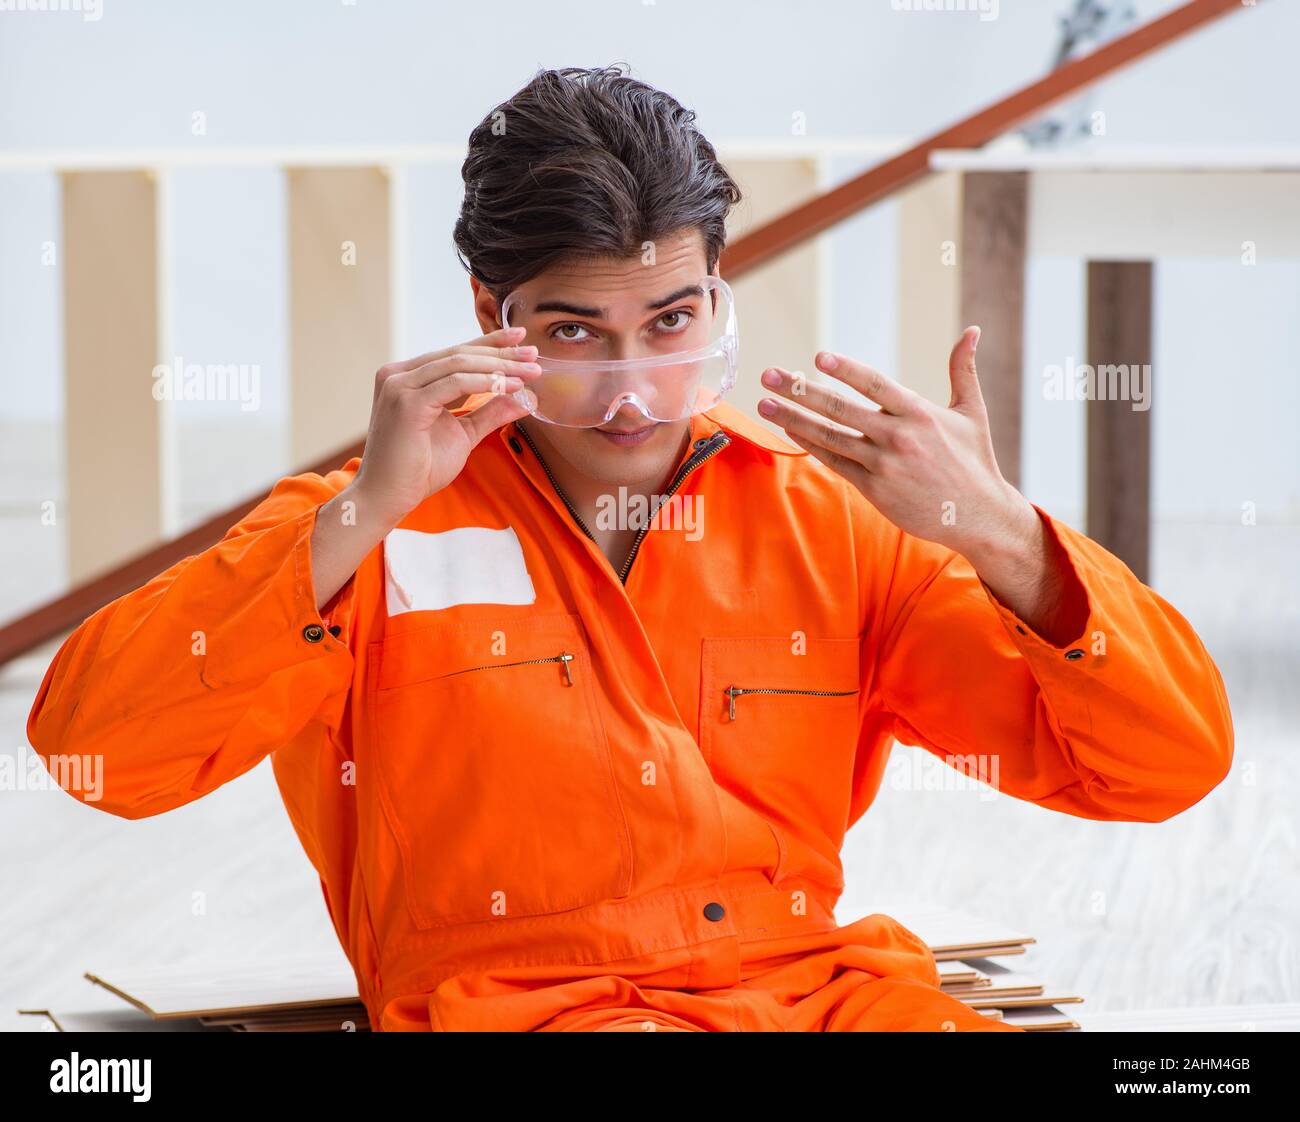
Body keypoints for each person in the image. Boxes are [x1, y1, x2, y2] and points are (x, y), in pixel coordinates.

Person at [27, 65, 1233, 1032]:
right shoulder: (367, 531)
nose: (629, 393)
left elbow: (1160, 767)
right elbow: (99, 759)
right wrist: (360, 513)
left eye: (671, 323)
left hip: (818, 1004)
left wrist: (1000, 532)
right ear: (486, 313)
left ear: (719, 290)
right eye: (571, 333)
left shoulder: (837, 524)